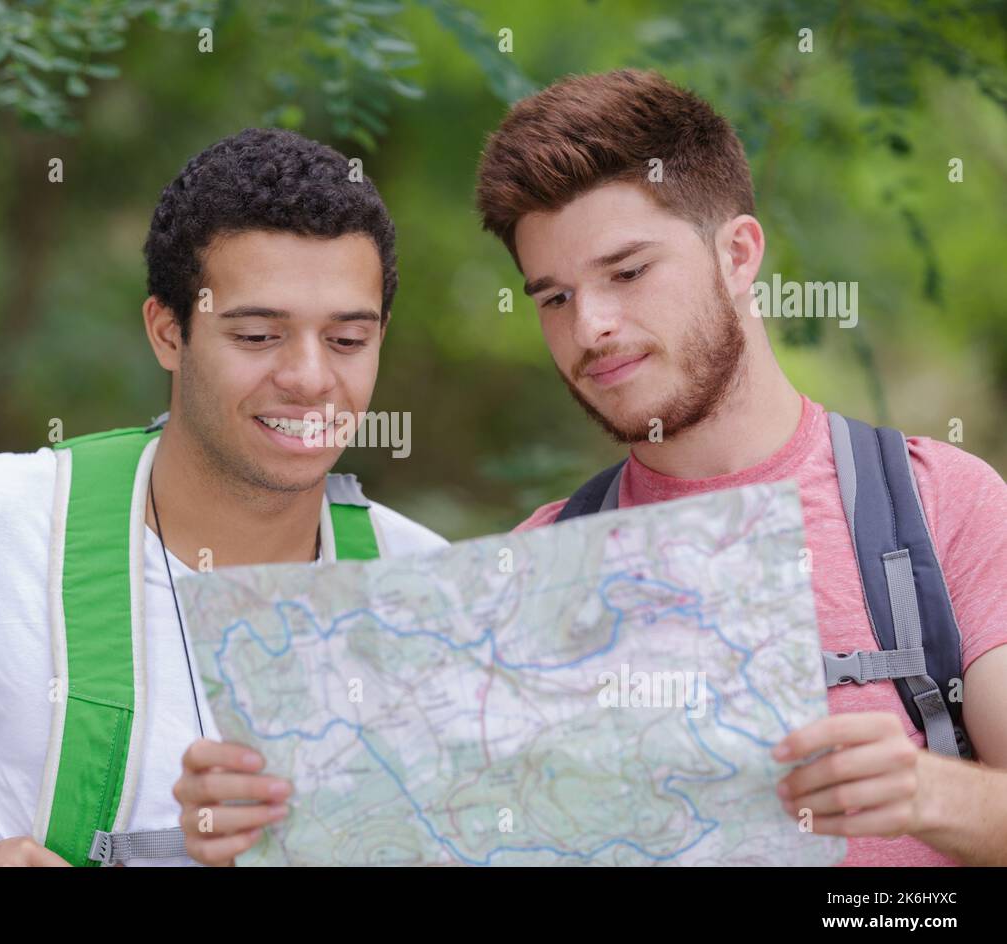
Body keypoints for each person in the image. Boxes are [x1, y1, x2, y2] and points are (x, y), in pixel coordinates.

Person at [174, 70, 1007, 867]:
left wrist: (929, 793)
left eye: (629, 272)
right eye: (554, 297)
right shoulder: (534, 566)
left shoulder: (936, 508)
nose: (593, 326)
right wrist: (267, 828)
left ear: (740, 253)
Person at [0, 127, 446, 867]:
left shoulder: (434, 586)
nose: (310, 378)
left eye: (348, 341)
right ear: (168, 331)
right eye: (259, 335)